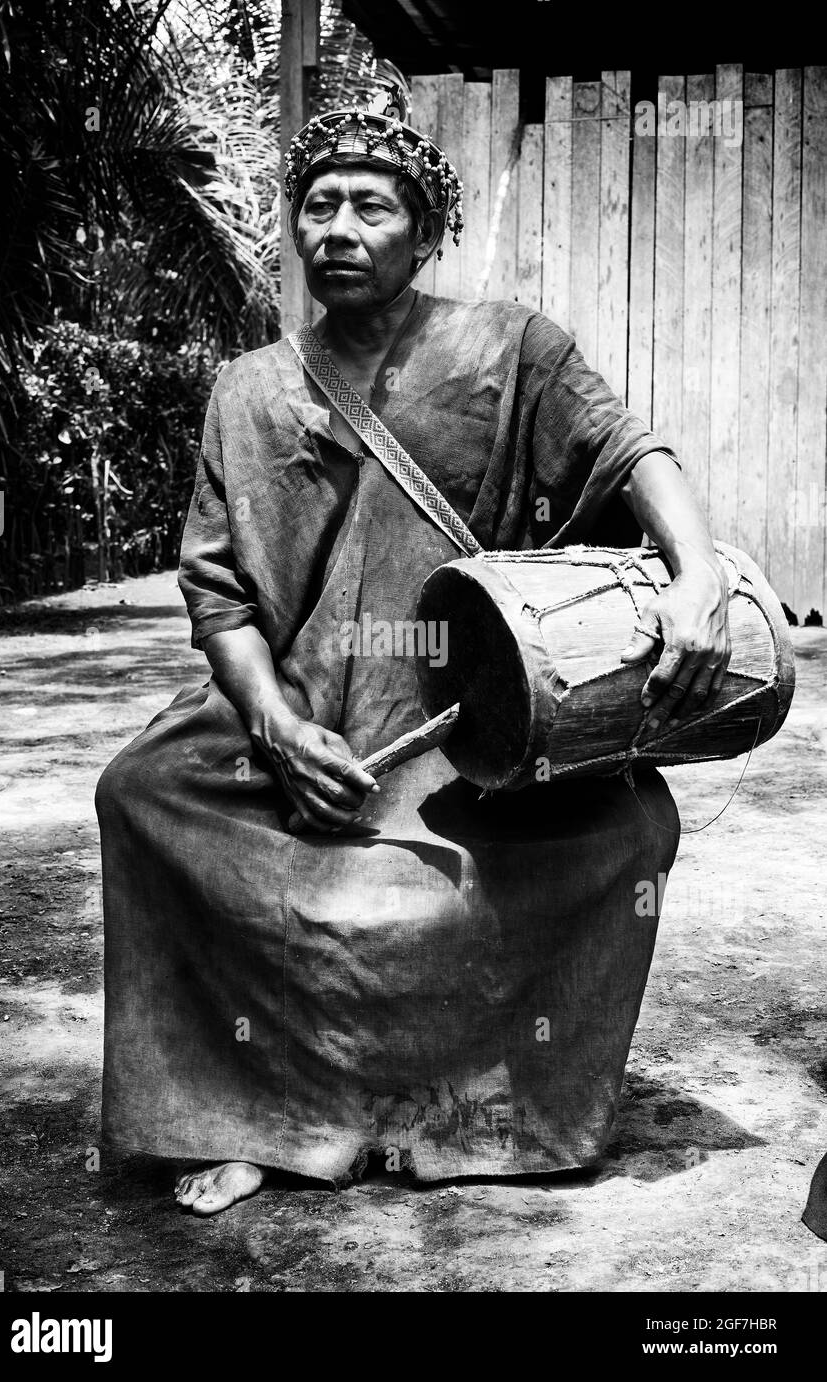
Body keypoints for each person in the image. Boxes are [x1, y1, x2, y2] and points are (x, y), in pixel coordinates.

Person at [96, 94, 731, 1216]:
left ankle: (477, 1112)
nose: (337, 228)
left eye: (371, 206)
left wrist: (696, 578)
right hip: (296, 704)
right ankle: (257, 1115)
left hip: (463, 706)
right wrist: (278, 726)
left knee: (625, 825)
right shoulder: (247, 389)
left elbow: (633, 451)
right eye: (317, 205)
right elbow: (219, 598)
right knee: (142, 793)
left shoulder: (509, 346)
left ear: (426, 231)